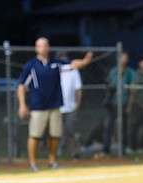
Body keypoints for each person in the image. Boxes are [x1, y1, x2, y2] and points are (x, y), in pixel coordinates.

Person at [17, 37, 93, 171]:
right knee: (35, 135)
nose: (43, 48)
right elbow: (21, 85)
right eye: (40, 46)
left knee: (55, 135)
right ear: (36, 48)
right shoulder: (31, 66)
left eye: (45, 45)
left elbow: (72, 64)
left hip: (55, 105)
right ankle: (32, 163)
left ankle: (52, 162)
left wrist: (84, 61)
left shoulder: (56, 64)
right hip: (38, 107)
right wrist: (22, 105)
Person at [103, 51, 136, 156]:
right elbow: (112, 85)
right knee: (108, 126)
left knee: (123, 127)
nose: (123, 59)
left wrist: (129, 106)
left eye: (125, 57)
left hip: (124, 103)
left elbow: (132, 90)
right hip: (112, 103)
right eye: (122, 57)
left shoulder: (130, 72)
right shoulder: (114, 71)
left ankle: (123, 149)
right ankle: (106, 149)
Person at [57, 50, 83, 160]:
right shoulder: (55, 70)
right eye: (60, 58)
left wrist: (78, 102)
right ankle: (55, 153)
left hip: (70, 106)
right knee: (55, 132)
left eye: (64, 57)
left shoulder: (73, 70)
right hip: (57, 107)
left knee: (72, 132)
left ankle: (74, 153)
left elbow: (78, 87)